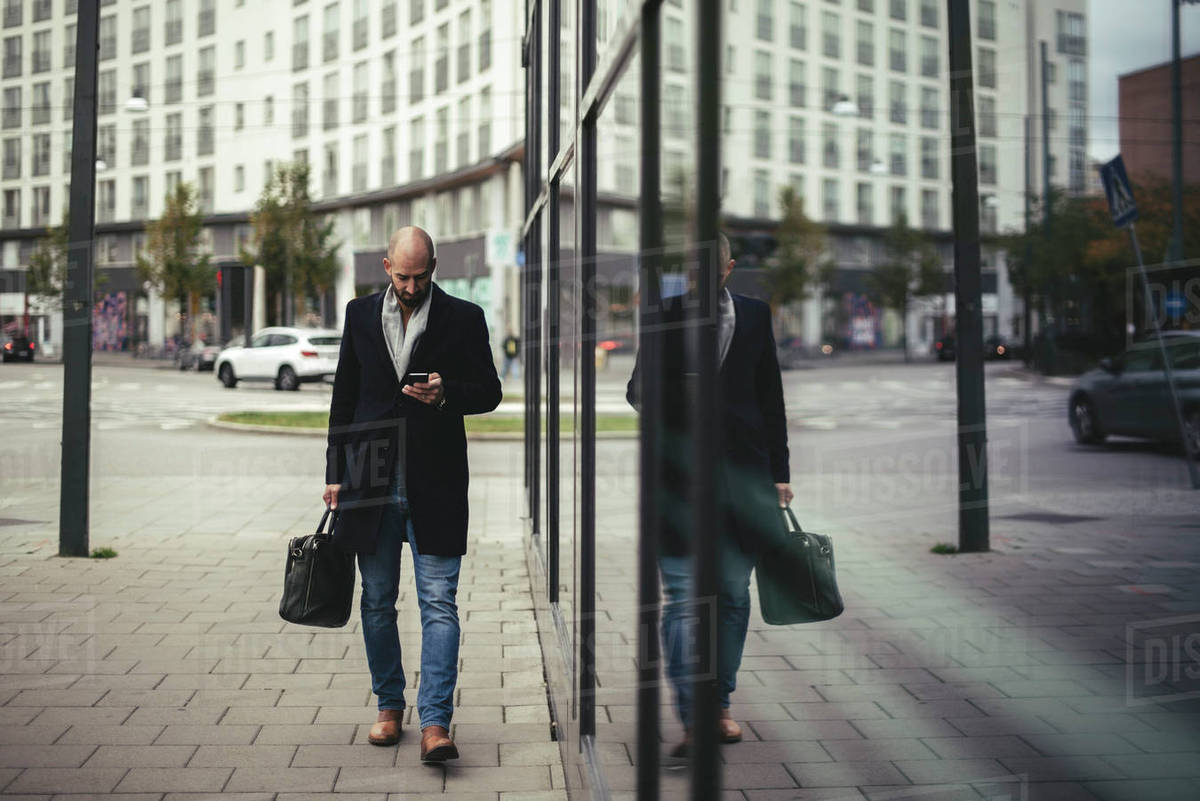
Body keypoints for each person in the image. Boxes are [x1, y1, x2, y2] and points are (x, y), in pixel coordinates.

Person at [323, 225, 502, 763]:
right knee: (376, 602)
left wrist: (447, 393)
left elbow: (490, 391)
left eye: (420, 276)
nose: (411, 285)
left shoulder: (464, 317)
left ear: (434, 268)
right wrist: (334, 471)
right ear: (386, 268)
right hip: (369, 482)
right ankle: (388, 706)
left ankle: (436, 723)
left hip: (437, 482)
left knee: (439, 605)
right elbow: (344, 400)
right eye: (402, 276)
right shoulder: (358, 316)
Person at [626, 232, 792, 764]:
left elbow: (770, 396)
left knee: (732, 595)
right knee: (681, 599)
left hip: (742, 481)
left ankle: (719, 701)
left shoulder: (755, 315)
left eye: (709, 270)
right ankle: (696, 712)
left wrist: (780, 473)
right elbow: (636, 391)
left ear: (728, 269)